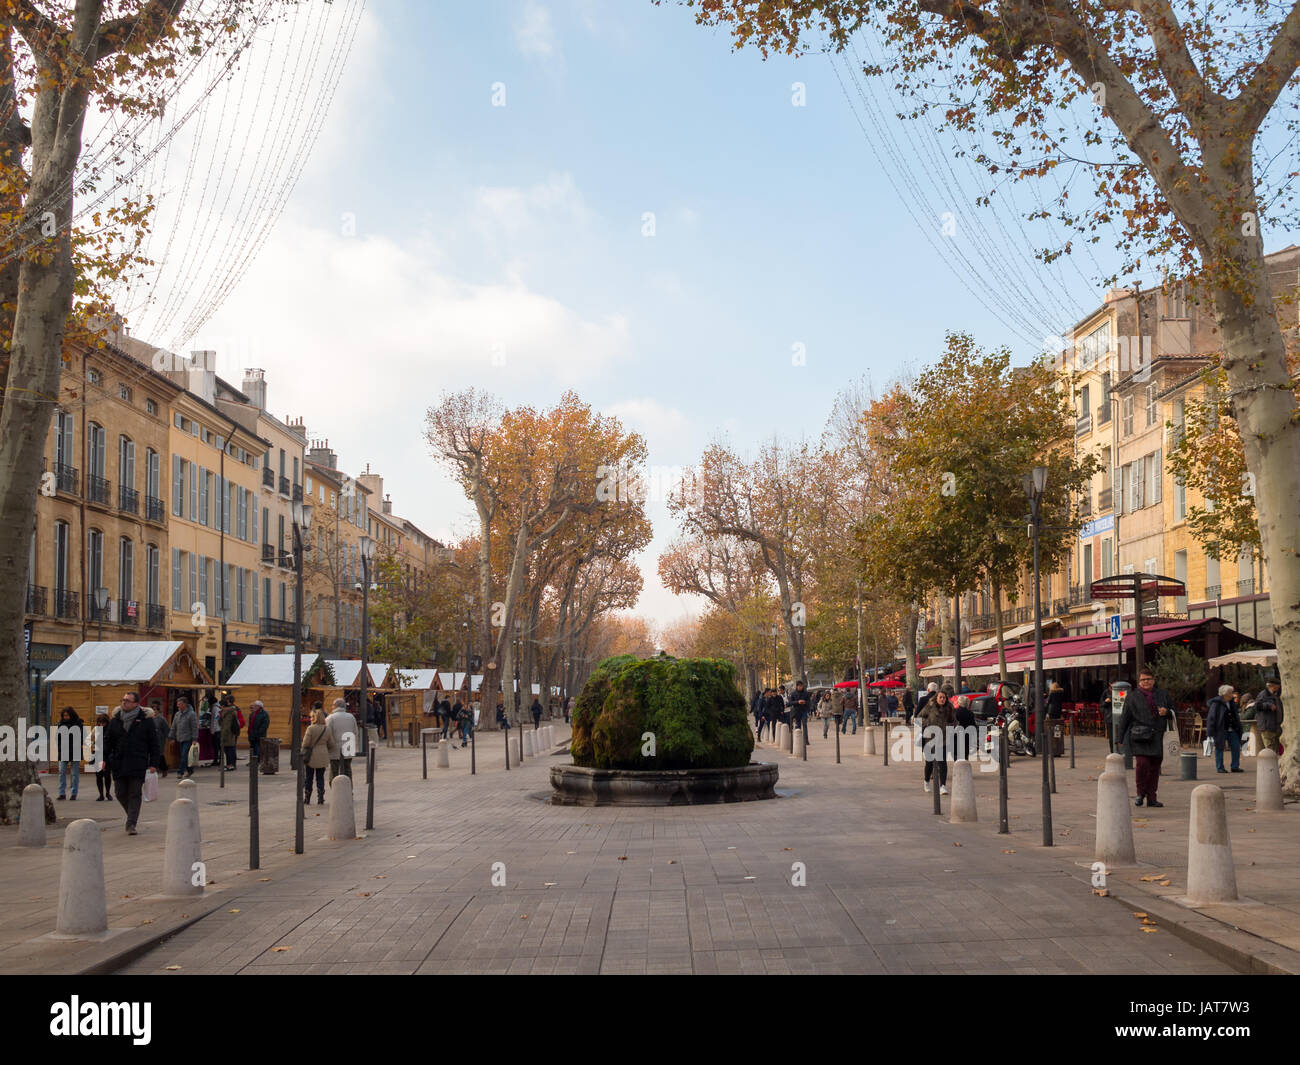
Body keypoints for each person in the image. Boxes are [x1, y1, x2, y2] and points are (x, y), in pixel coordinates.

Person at [1117, 667, 1176, 808]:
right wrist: (1119, 738)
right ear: (1139, 681)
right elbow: (1125, 718)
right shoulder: (1132, 696)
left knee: (1155, 768)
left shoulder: (1163, 694)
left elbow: (1175, 712)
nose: (1146, 682)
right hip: (1140, 736)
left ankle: (1152, 798)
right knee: (1142, 765)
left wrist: (1167, 712)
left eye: (1148, 679)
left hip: (1158, 736)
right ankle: (1140, 793)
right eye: (1143, 680)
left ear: (1153, 680)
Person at [104, 691, 159, 835]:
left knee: (135, 793)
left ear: (136, 704)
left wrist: (154, 763)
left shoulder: (146, 720)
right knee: (120, 792)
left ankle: (131, 823)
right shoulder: (116, 720)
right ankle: (132, 814)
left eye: (127, 700)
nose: (124, 702)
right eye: (123, 700)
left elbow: (154, 743)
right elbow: (108, 741)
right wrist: (103, 758)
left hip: (138, 762)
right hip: (119, 762)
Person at [919, 685, 956, 795]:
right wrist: (927, 724)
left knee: (942, 762)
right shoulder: (930, 706)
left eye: (944, 697)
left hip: (943, 739)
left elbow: (954, 721)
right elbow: (920, 717)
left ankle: (943, 786)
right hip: (930, 739)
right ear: (936, 698)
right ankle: (926, 781)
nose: (942, 699)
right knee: (929, 763)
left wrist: (951, 727)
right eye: (940, 697)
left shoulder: (949, 708)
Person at [1206, 684, 1244, 774]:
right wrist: (1210, 733)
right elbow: (1211, 718)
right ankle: (1220, 767)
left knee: (1236, 747)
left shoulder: (1232, 703)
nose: (1232, 695)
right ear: (1225, 694)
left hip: (1232, 729)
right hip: (1220, 729)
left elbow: (1235, 717)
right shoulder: (1216, 703)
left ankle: (1235, 766)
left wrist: (1239, 727)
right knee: (1219, 748)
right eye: (1231, 693)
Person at [300, 708, 336, 805]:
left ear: (315, 718)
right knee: (320, 777)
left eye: (312, 717)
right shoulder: (326, 729)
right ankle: (320, 797)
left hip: (311, 756)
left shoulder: (310, 728)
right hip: (323, 755)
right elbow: (331, 744)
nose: (310, 719)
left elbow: (305, 744)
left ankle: (307, 798)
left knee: (309, 777)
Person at [326, 697, 357, 780]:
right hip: (348, 746)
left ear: (335, 706)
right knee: (347, 769)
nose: (332, 707)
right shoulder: (351, 717)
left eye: (333, 705)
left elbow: (327, 733)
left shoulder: (330, 718)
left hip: (335, 748)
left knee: (334, 770)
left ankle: (335, 786)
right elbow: (355, 731)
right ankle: (348, 785)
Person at [55, 706, 83, 800]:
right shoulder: (61, 724)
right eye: (64, 715)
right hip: (63, 750)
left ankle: (74, 793)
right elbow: (58, 737)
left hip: (75, 750)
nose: (65, 717)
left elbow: (82, 736)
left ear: (71, 715)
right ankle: (62, 793)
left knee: (74, 774)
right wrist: (60, 747)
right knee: (61, 772)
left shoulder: (78, 723)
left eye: (67, 715)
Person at [1253, 673, 1284, 754]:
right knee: (1270, 750)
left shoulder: (1275, 695)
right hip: (1267, 726)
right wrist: (1268, 706)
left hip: (1276, 726)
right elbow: (1256, 706)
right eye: (1277, 686)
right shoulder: (1263, 694)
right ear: (1272, 686)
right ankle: (1270, 762)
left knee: (1275, 749)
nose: (1279, 688)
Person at [168, 697, 198, 780]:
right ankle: (190, 770)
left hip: (188, 738)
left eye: (179, 704)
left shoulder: (191, 714)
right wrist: (171, 737)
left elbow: (194, 727)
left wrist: (194, 739)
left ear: (185, 704)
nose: (178, 706)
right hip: (180, 738)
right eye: (177, 704)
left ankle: (180, 772)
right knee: (185, 756)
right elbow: (173, 727)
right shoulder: (177, 714)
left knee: (184, 755)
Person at [89, 710, 112, 801]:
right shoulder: (96, 729)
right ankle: (101, 794)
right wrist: (93, 745)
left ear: (107, 722)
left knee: (107, 775)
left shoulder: (110, 730)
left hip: (107, 755)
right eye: (100, 723)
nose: (101, 725)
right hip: (98, 754)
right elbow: (89, 738)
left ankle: (108, 793)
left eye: (103, 723)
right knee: (98, 776)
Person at [146, 707, 170, 778]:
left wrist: (169, 738)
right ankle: (151, 770)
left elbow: (167, 729)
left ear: (158, 711)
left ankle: (164, 769)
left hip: (160, 740)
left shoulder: (161, 719)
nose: (154, 711)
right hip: (150, 740)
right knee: (151, 755)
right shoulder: (148, 719)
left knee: (160, 755)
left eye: (155, 710)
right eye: (152, 710)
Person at [219, 695, 241, 770]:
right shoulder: (231, 711)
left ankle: (230, 765)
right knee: (230, 749)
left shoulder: (229, 712)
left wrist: (223, 735)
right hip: (231, 733)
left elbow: (227, 725)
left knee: (229, 750)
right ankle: (230, 764)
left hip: (229, 734)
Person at [790, 680, 813, 747]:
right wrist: (797, 702)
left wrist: (805, 702)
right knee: (798, 726)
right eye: (799, 686)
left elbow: (809, 702)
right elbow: (790, 703)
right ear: (797, 686)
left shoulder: (806, 693)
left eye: (801, 686)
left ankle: (806, 740)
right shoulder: (793, 693)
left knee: (805, 724)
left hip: (804, 711)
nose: (800, 687)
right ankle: (798, 740)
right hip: (797, 711)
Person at [246, 699, 269, 766]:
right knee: (252, 749)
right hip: (252, 735)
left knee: (258, 749)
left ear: (259, 706)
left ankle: (258, 761)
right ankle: (252, 761)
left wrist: (258, 733)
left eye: (255, 706)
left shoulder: (264, 714)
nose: (253, 707)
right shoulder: (253, 713)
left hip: (259, 735)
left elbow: (265, 725)